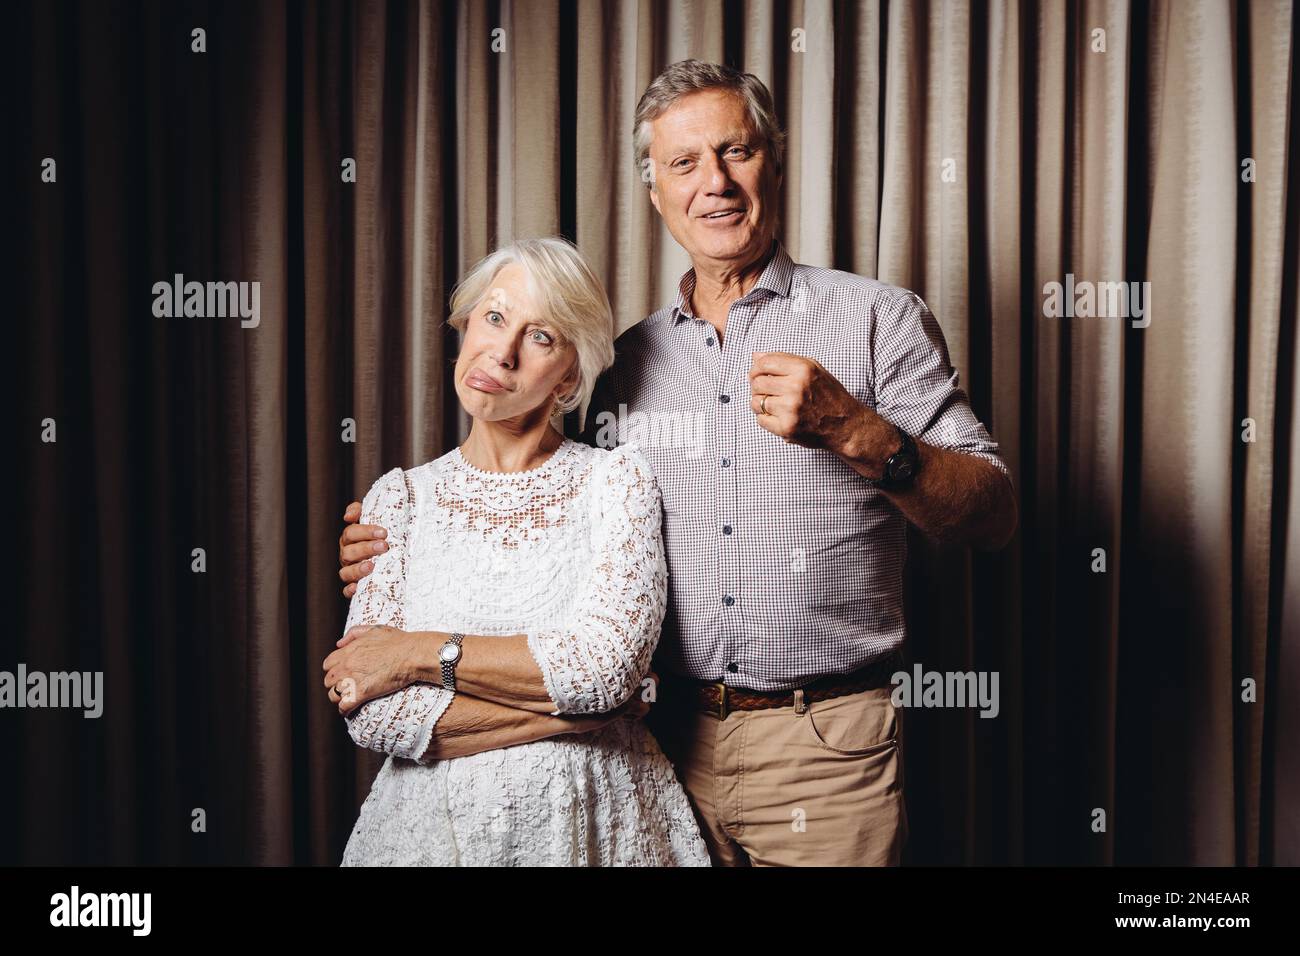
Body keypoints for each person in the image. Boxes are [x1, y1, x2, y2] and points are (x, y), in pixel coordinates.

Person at [340, 61, 1018, 866]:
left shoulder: (877, 319)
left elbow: (993, 514)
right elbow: (555, 535)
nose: (716, 183)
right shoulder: (624, 363)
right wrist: (405, 545)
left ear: (772, 159)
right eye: (684, 163)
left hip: (824, 750)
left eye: (736, 151)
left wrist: (860, 433)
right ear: (655, 191)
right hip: (653, 752)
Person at [323, 236, 709, 866]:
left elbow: (603, 671)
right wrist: (577, 718)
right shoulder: (398, 500)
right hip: (427, 833)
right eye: (495, 317)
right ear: (467, 322)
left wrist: (415, 654)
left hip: (590, 819)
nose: (500, 353)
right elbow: (370, 713)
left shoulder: (615, 482)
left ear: (570, 376)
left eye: (541, 337)